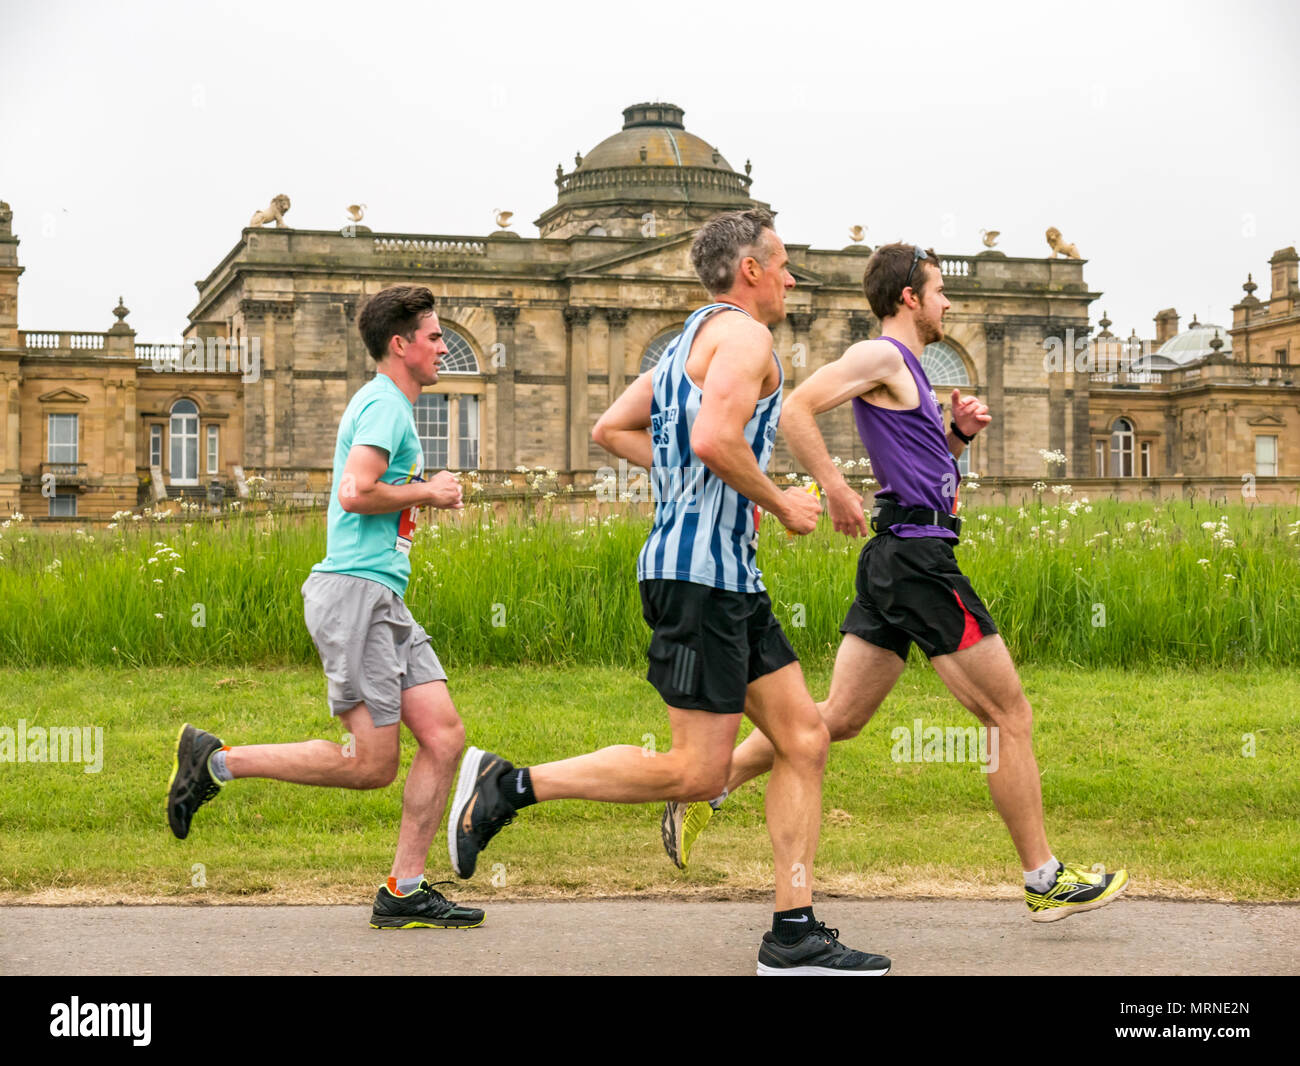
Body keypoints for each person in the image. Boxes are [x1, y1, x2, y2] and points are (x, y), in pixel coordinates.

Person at [446, 209, 891, 975]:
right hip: (700, 581)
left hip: (726, 580)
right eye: (782, 263)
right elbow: (716, 440)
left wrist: (706, 485)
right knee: (699, 772)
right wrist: (780, 501)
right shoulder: (746, 338)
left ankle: (794, 932)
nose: (791, 277)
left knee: (805, 739)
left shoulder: (690, 338)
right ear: (749, 269)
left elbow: (610, 430)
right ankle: (509, 784)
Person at [664, 243, 1129, 923]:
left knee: (836, 720)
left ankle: (709, 786)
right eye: (940, 292)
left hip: (899, 558)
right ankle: (1044, 877)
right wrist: (833, 487)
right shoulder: (880, 355)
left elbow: (923, 472)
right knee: (1008, 715)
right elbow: (798, 408)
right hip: (916, 563)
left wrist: (956, 438)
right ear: (910, 297)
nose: (948, 305)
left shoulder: (906, 369)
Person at [166, 285, 484, 930]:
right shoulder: (385, 408)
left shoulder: (389, 405)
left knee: (445, 736)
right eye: (432, 335)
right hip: (354, 595)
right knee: (370, 765)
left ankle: (405, 890)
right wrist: (429, 490)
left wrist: (417, 495)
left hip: (382, 596)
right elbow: (355, 490)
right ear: (401, 345)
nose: (443, 344)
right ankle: (216, 761)